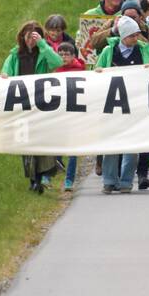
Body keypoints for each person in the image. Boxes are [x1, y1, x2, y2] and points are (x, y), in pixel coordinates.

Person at [0, 22, 64, 192]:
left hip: (41, 103)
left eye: (34, 36)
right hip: (23, 105)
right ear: (22, 37)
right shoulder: (15, 55)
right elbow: (6, 73)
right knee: (26, 142)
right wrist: (5, 75)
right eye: (27, 36)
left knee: (40, 139)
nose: (30, 40)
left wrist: (43, 44)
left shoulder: (43, 53)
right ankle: (33, 179)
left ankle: (43, 175)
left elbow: (57, 62)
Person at [94, 16, 149, 193]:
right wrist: (98, 72)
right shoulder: (108, 51)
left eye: (137, 35)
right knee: (111, 144)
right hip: (112, 104)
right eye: (132, 36)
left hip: (135, 105)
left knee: (132, 146)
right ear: (123, 36)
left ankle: (126, 181)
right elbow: (97, 71)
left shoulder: (144, 51)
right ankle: (109, 180)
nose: (135, 39)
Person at [55, 42, 86, 191]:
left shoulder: (81, 69)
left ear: (73, 55)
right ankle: (49, 174)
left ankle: (69, 180)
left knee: (73, 149)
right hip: (60, 112)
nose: (63, 57)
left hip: (75, 113)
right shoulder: (55, 70)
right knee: (57, 145)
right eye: (60, 54)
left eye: (66, 54)